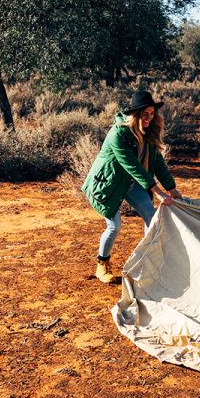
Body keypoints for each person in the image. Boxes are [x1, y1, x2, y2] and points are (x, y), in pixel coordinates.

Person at [82, 89, 182, 283]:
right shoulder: (117, 134)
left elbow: (157, 162)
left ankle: (148, 262)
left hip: (129, 183)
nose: (149, 118)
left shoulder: (148, 133)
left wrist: (172, 189)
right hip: (107, 184)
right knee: (114, 226)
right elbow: (132, 166)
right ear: (135, 114)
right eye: (145, 114)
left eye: (152, 114)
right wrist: (158, 192)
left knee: (152, 219)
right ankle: (102, 264)